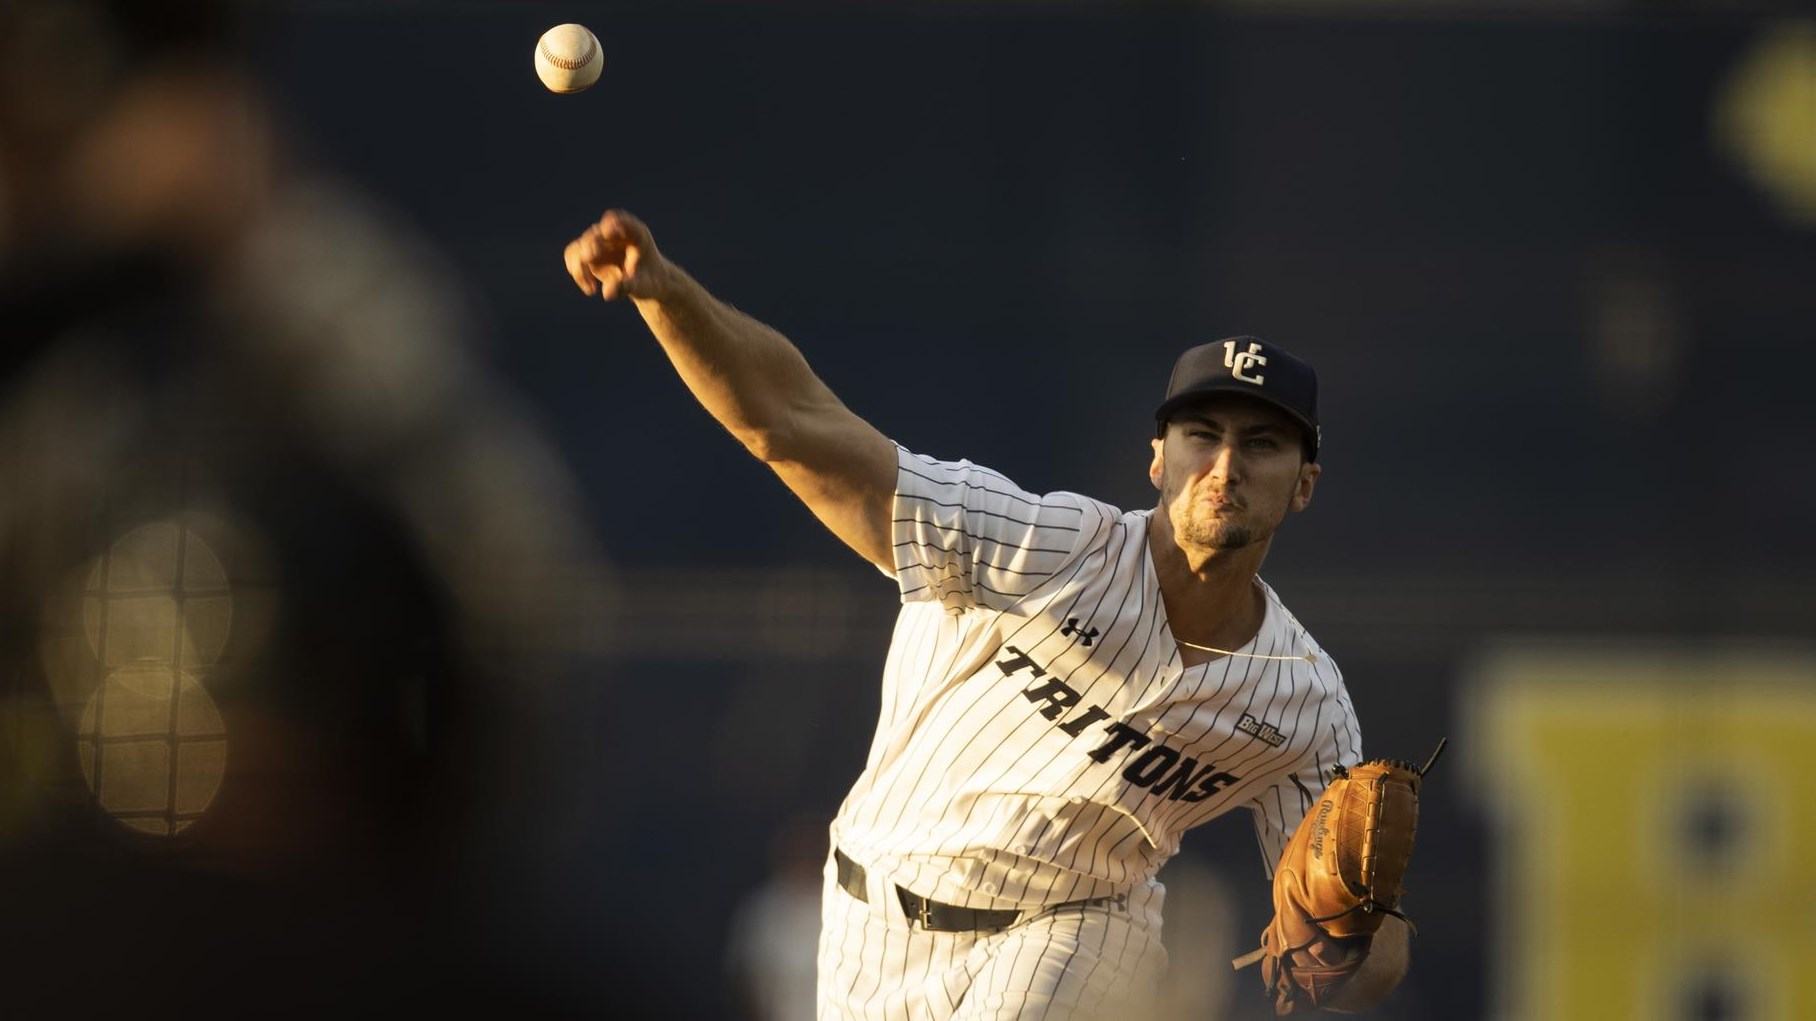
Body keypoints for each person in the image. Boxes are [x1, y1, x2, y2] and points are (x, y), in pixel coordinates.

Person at [562, 209, 1410, 1018]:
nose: (1224, 464)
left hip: (1078, 930)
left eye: (1261, 443)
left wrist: (1352, 943)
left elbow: (1364, 960)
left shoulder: (1303, 700)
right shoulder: (1046, 546)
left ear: (1303, 484)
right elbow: (793, 422)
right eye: (1202, 434)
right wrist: (665, 293)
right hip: (869, 910)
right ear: (1158, 457)